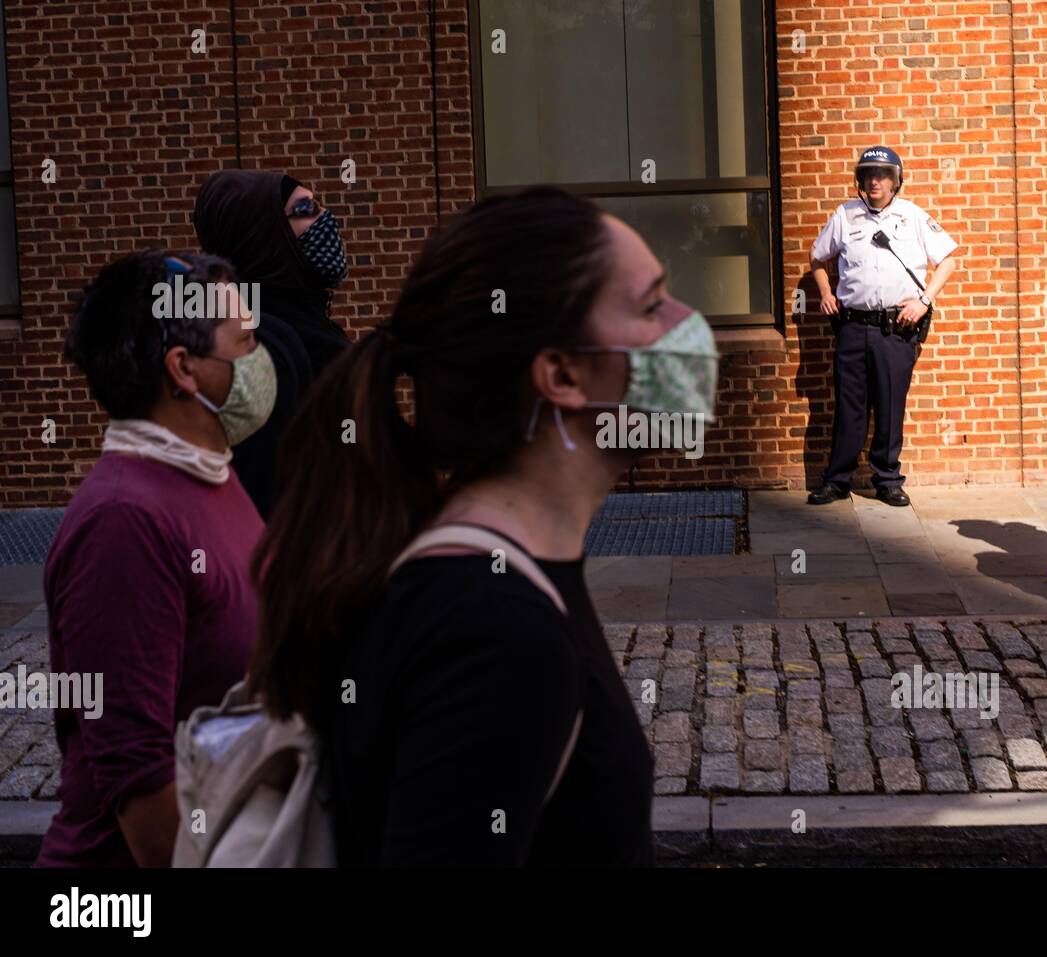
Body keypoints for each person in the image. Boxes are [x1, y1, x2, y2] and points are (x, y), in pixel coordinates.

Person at [247, 187, 719, 866]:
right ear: (560, 373)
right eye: (651, 306)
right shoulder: (492, 625)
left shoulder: (502, 575)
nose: (688, 323)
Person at [37, 250, 272, 866]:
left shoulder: (211, 473)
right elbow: (140, 784)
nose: (261, 358)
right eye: (246, 342)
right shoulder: (124, 522)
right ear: (183, 369)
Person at [192, 170, 352, 518]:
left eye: (319, 206)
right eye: (304, 210)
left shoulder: (310, 323)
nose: (326, 219)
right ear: (263, 237)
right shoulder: (256, 348)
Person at [807, 146, 959, 507]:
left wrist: (924, 301)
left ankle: (888, 479)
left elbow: (949, 261)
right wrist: (826, 291)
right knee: (848, 405)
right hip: (852, 326)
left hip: (896, 329)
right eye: (868, 175)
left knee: (890, 405)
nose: (874, 181)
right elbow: (817, 257)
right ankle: (838, 480)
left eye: (882, 175)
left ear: (895, 181)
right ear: (860, 180)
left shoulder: (913, 217)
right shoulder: (845, 215)